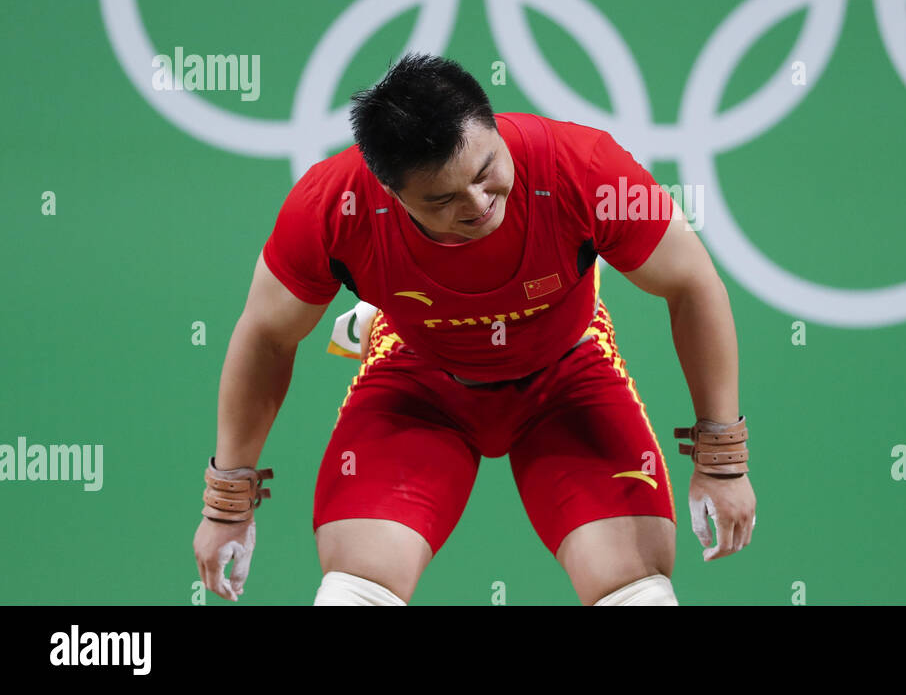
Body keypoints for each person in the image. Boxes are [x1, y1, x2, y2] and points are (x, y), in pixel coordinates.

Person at [192, 53, 756, 605]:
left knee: (634, 587)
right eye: (442, 200)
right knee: (355, 587)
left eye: (487, 173)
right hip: (419, 381)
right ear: (392, 193)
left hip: (567, 376)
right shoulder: (333, 205)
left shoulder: (584, 169)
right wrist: (227, 502)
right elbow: (266, 335)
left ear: (493, 129)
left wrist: (722, 459)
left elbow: (693, 284)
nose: (480, 204)